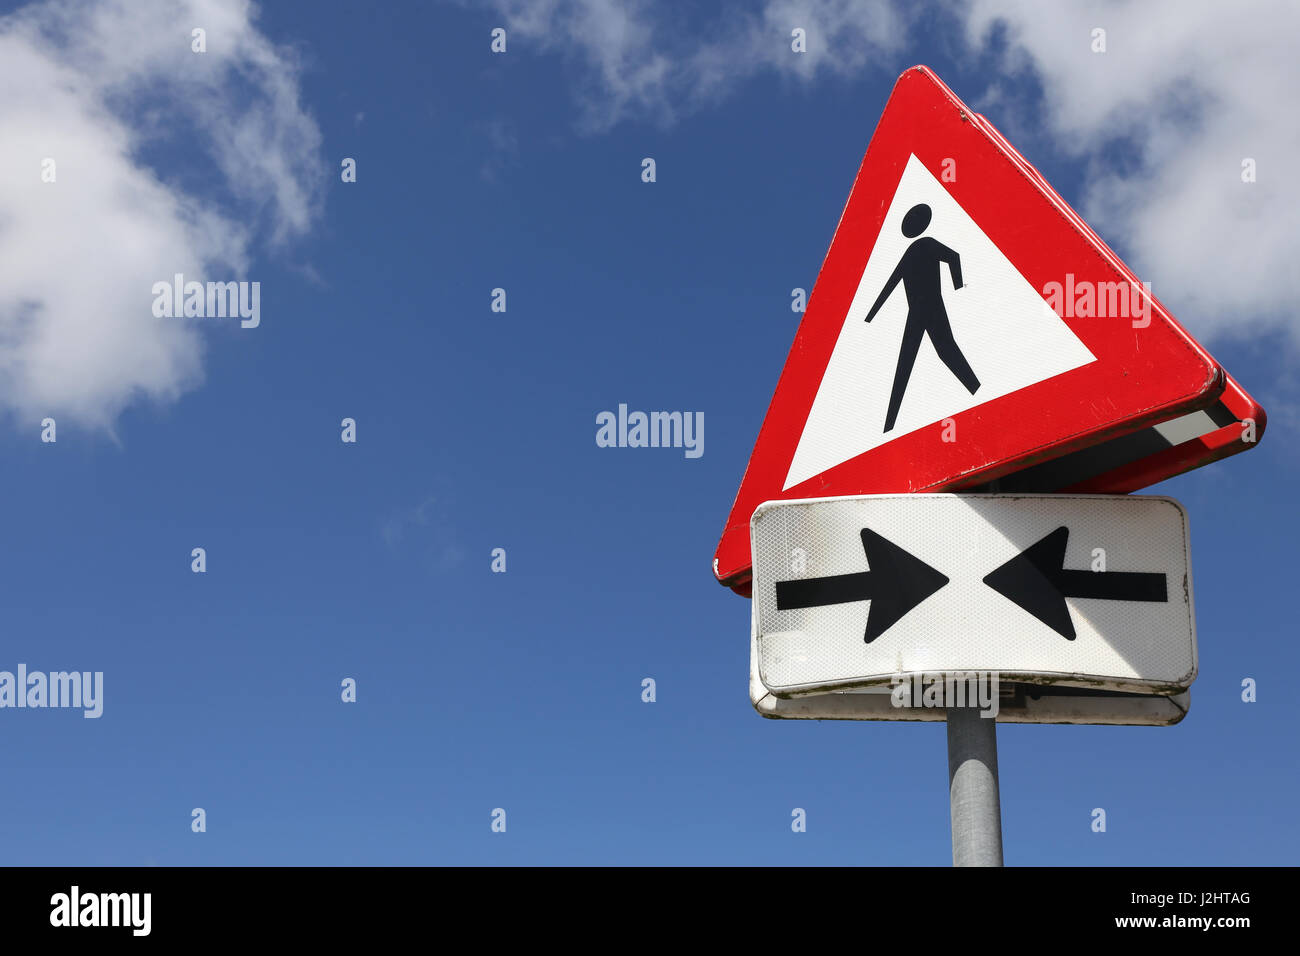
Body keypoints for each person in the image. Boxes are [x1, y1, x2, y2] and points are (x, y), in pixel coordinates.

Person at [865, 203, 980, 432]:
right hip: (916, 311)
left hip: (932, 305)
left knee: (945, 351)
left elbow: (953, 257)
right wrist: (870, 316)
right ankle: (889, 427)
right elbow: (891, 284)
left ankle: (978, 391)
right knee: (908, 361)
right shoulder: (915, 250)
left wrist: (959, 288)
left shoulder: (926, 245)